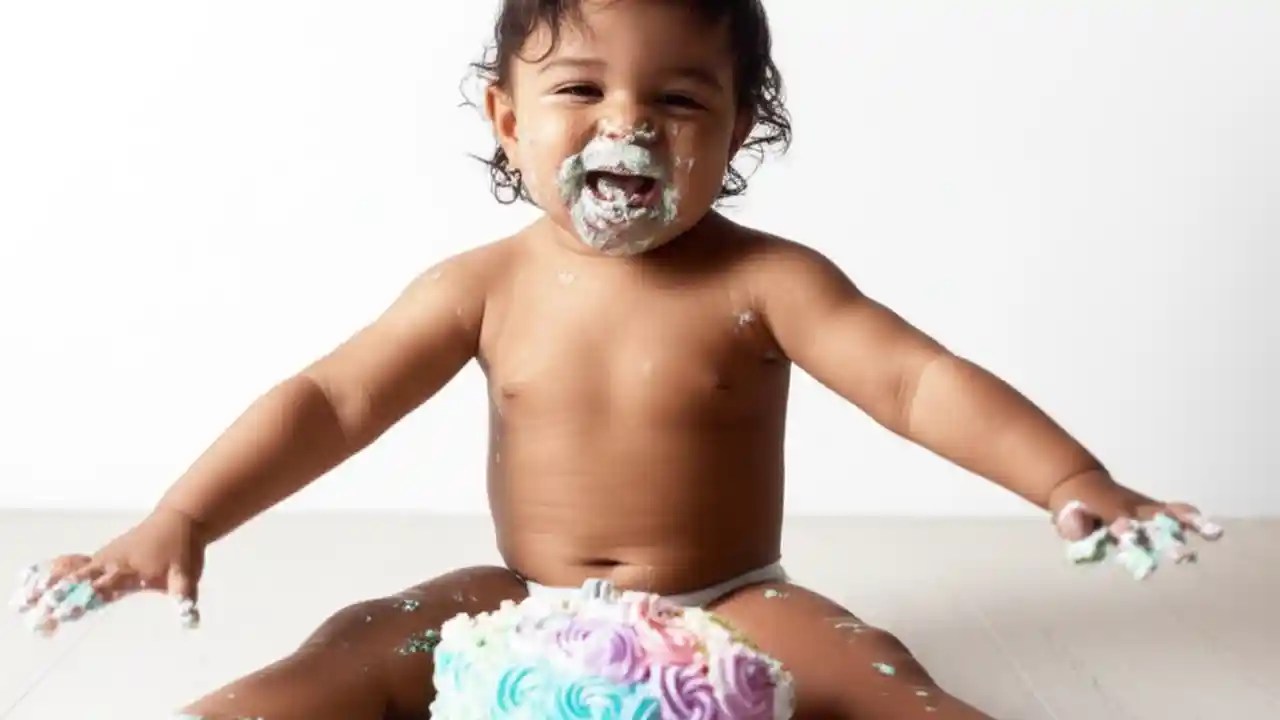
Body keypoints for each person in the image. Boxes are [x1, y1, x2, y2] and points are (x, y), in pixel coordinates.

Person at [14, 1, 1223, 717]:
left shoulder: (766, 283)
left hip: (733, 601)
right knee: (351, 646)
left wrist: (1070, 480)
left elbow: (914, 381)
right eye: (579, 87)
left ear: (738, 130)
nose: (627, 122)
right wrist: (181, 519)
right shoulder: (480, 287)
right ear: (506, 120)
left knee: (876, 677)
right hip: (516, 600)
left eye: (679, 101)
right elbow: (332, 401)